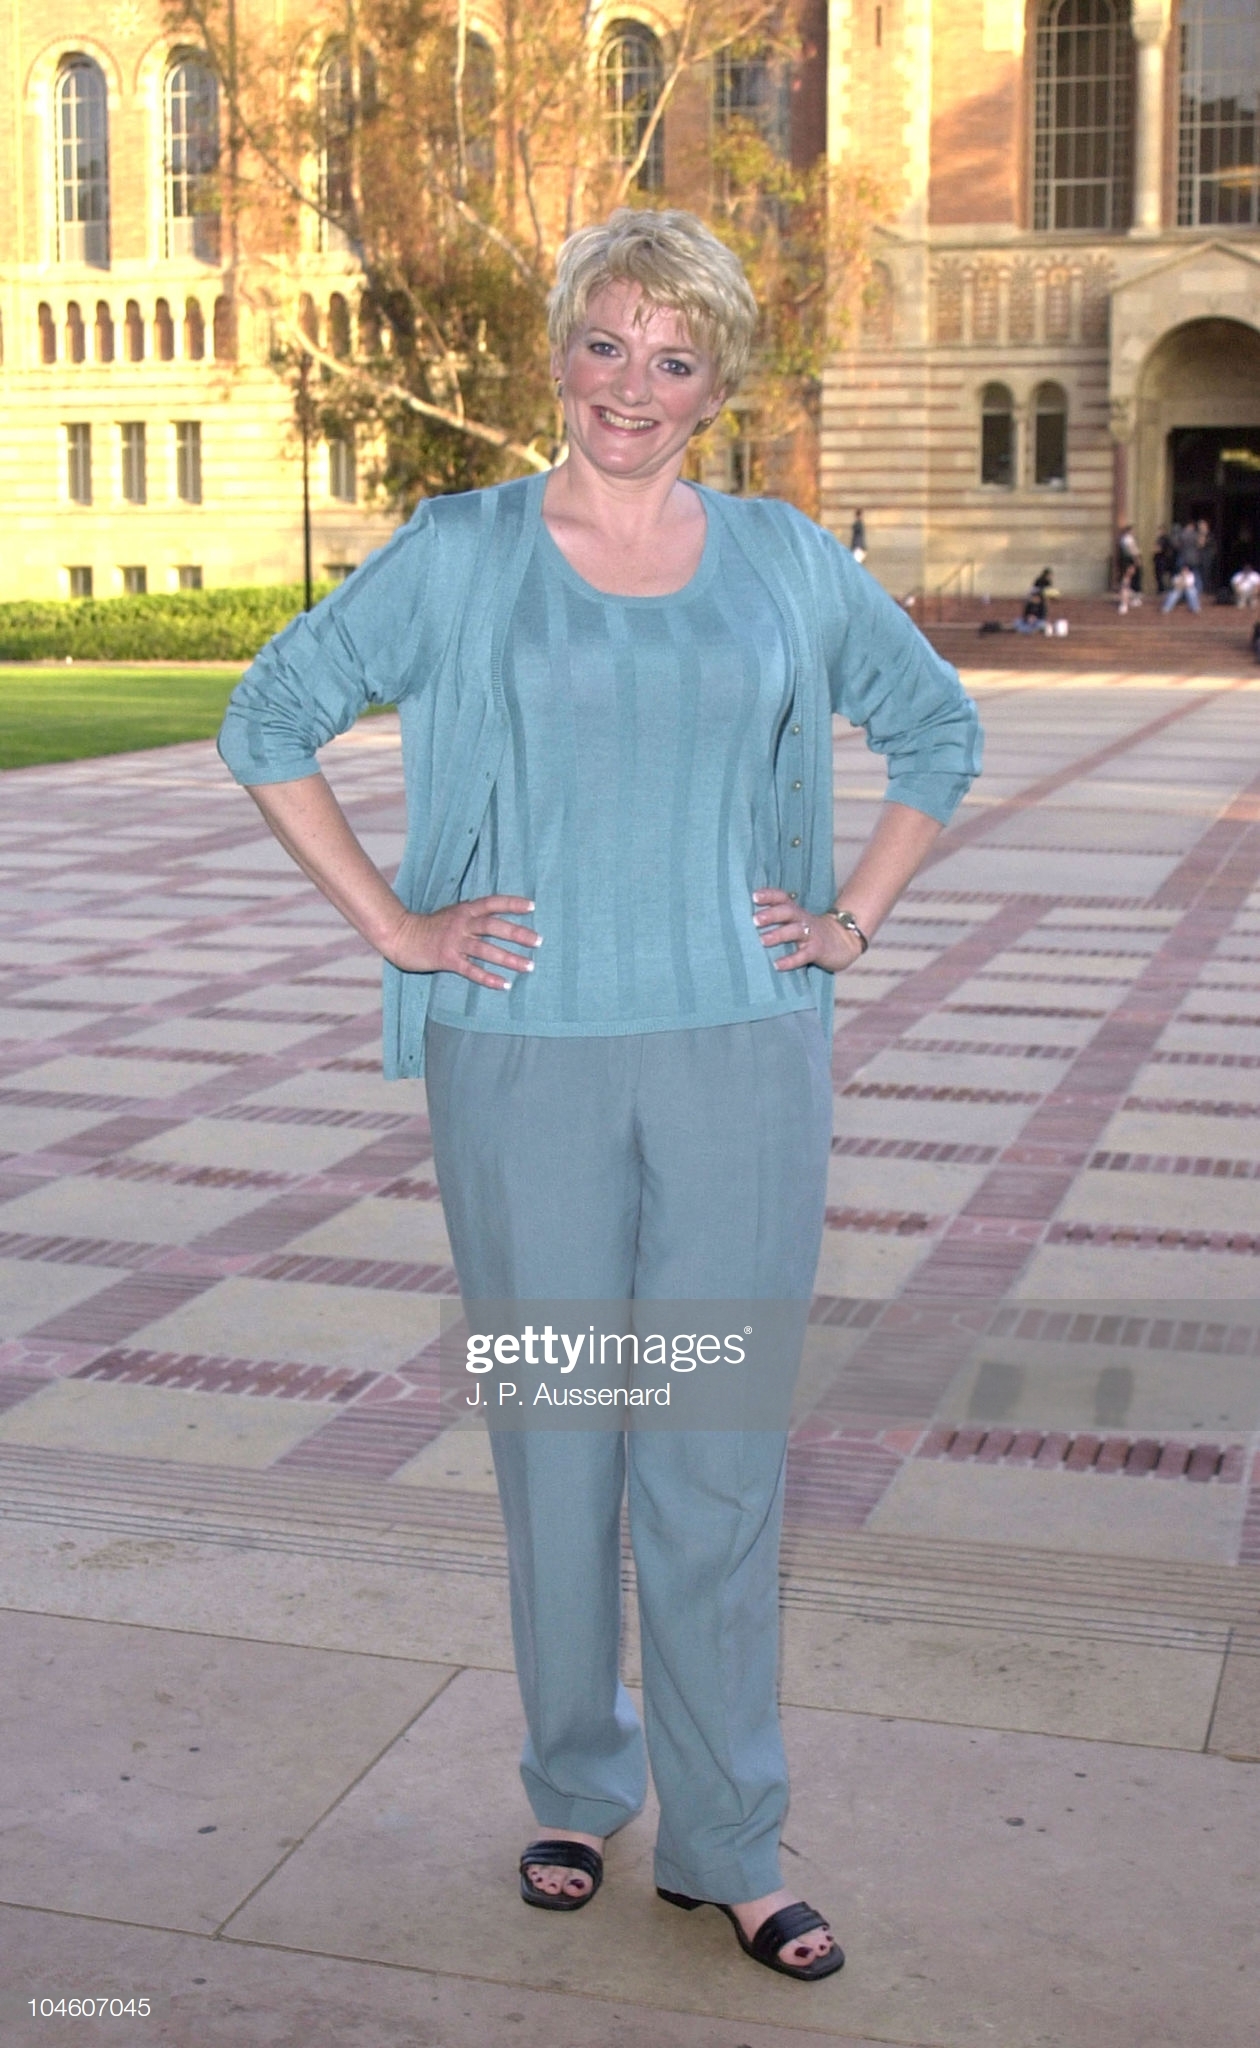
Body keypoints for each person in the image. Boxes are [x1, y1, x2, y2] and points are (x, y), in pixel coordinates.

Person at [217, 208, 980, 1986]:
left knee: (714, 1458)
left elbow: (935, 730)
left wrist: (851, 912)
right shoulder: (464, 550)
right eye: (606, 343)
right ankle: (575, 1781)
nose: (633, 385)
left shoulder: (788, 560)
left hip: (742, 1061)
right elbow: (272, 720)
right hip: (520, 1066)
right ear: (560, 350)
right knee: (560, 1443)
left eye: (676, 356)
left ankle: (732, 1838)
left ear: (718, 383)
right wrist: (404, 927)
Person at [1016, 566, 1056, 631]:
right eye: (1050, 575)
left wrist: (1035, 618)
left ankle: (1031, 629)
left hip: (1037, 621)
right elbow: (1025, 615)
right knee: (1018, 622)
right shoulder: (1039, 580)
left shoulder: (1042, 605)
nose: (1051, 576)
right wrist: (1028, 618)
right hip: (1029, 622)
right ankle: (1028, 629)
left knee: (1041, 624)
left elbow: (1042, 616)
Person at [1115, 525, 1143, 613]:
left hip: (1126, 563)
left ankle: (1127, 602)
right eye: (1133, 531)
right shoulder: (1128, 539)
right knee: (1126, 582)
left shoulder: (1123, 539)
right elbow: (1132, 550)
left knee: (1127, 582)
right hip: (1129, 563)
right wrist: (1137, 560)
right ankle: (1124, 604)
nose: (1134, 533)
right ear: (1129, 531)